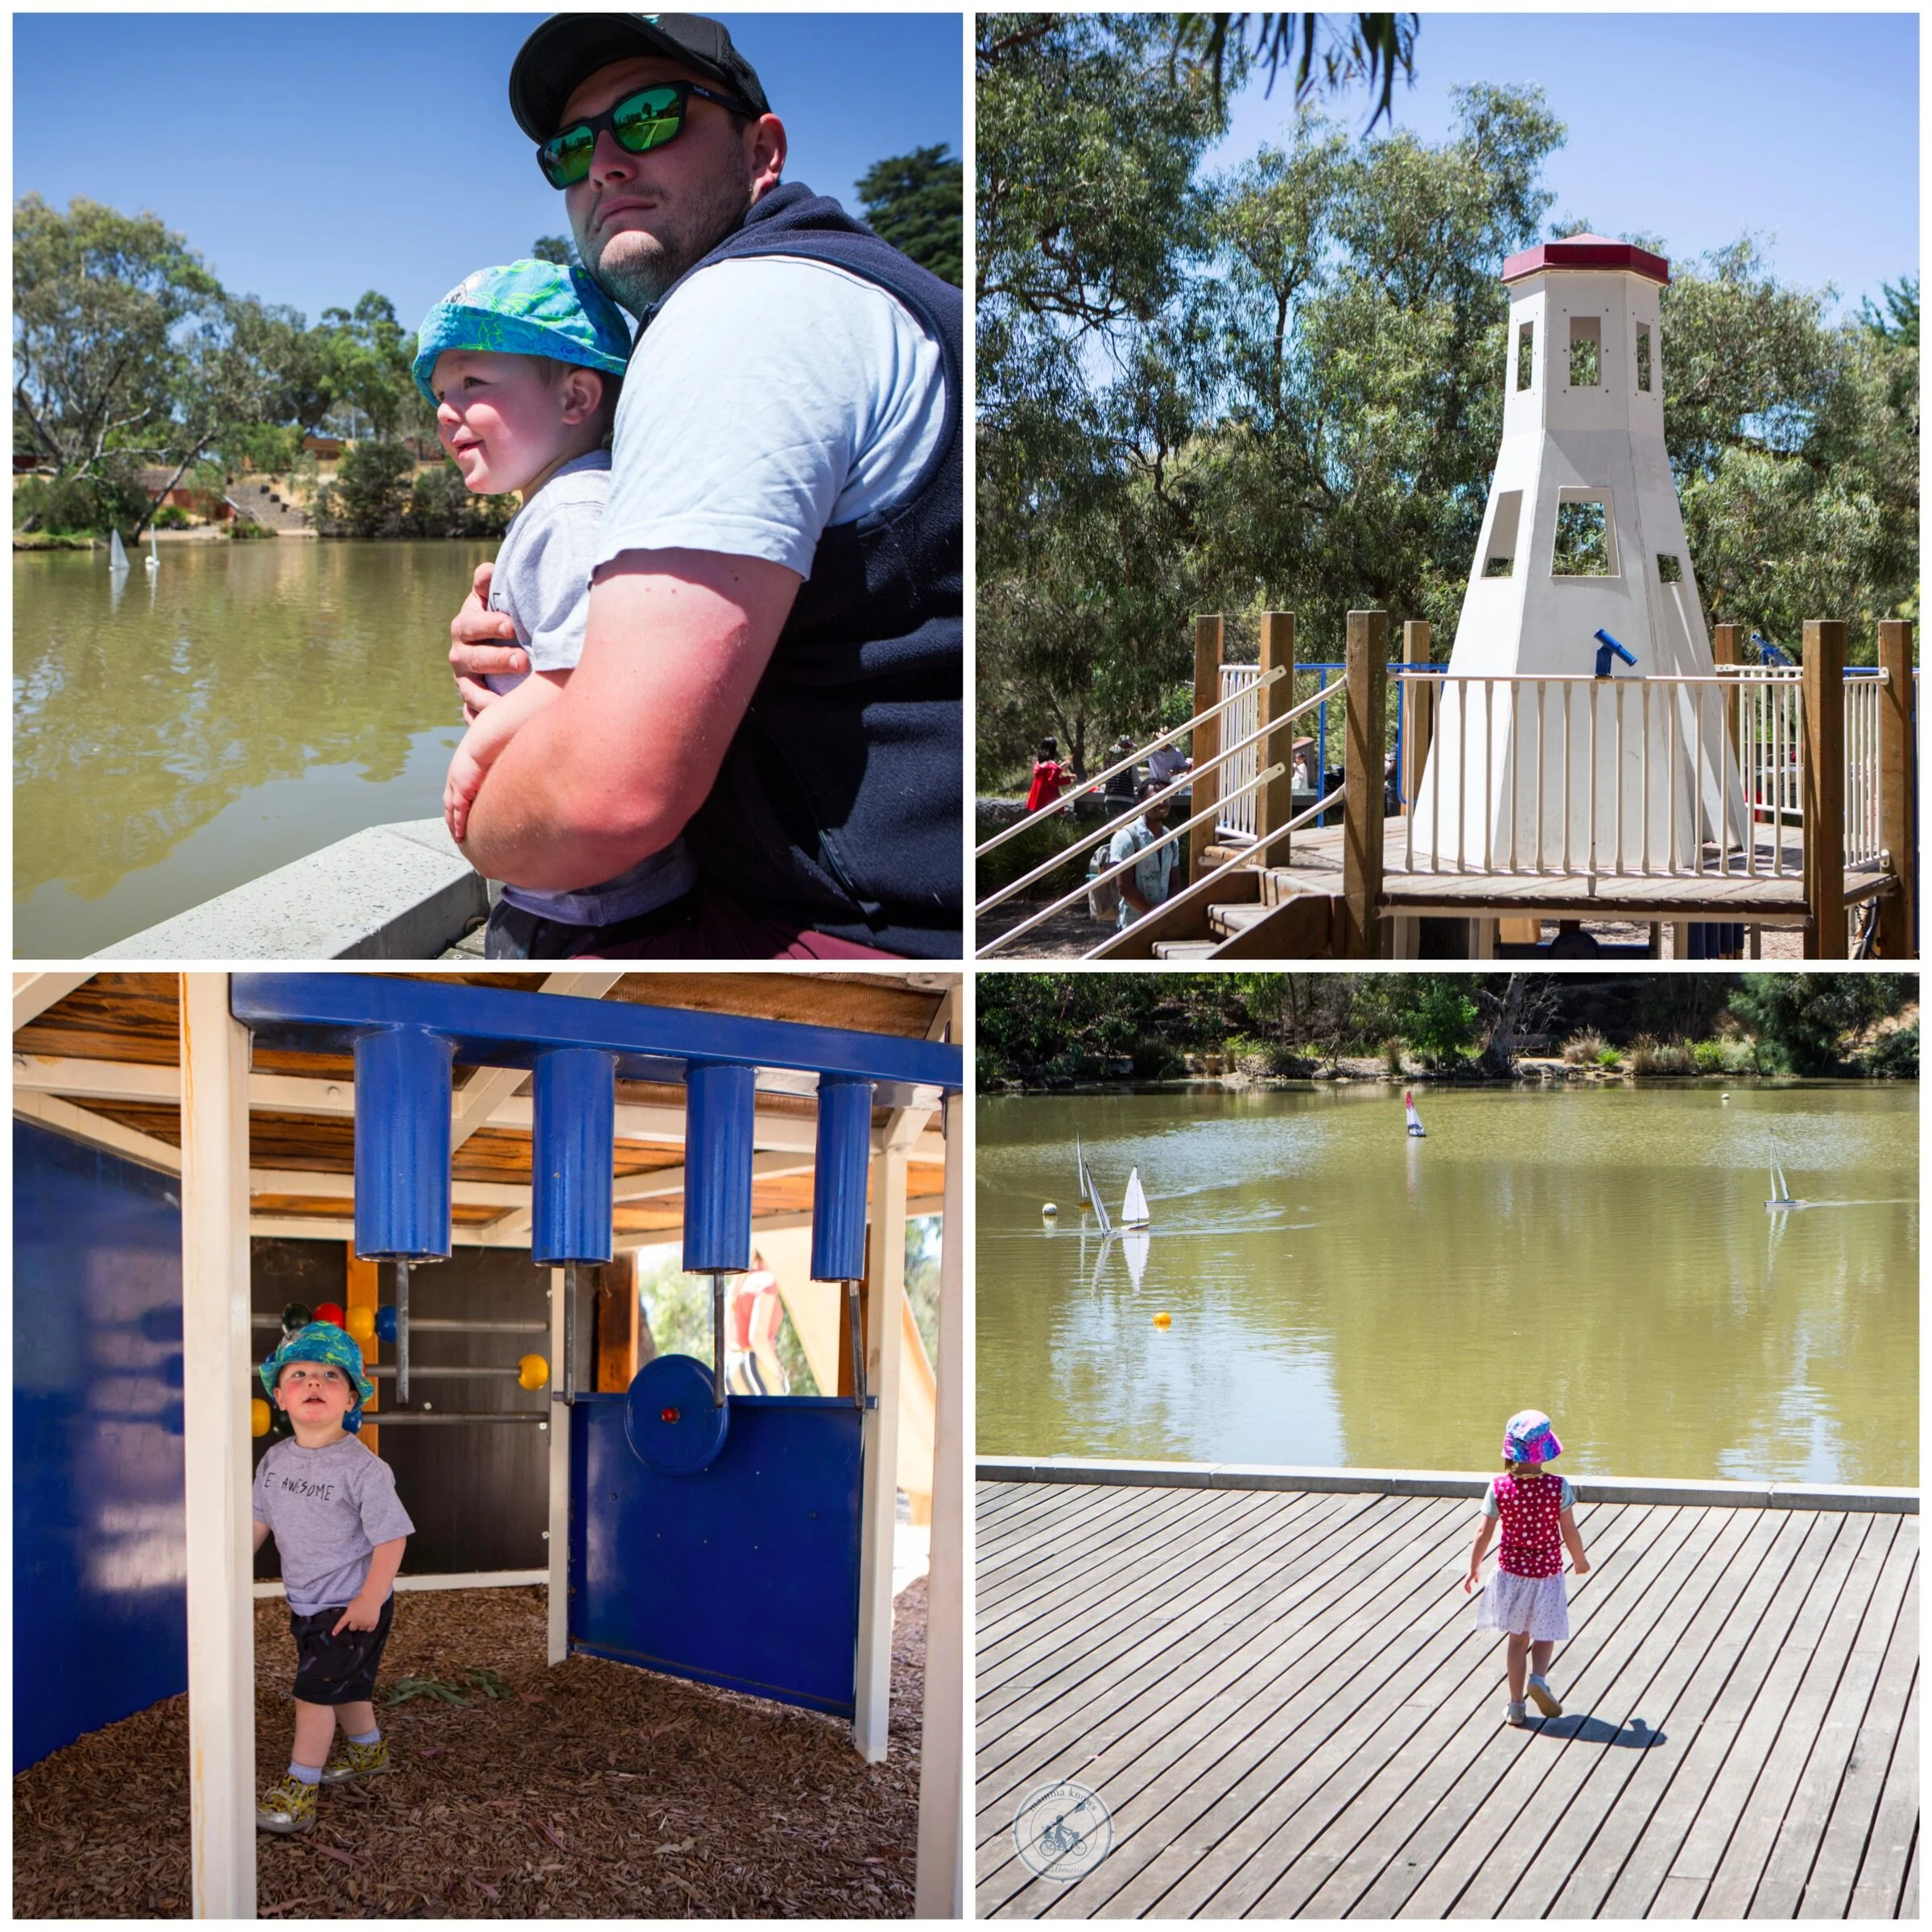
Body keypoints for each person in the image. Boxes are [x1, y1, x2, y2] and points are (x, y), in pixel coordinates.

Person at [445, 12, 961, 959]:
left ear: (762, 150)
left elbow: (605, 797)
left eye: (648, 119)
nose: (603, 162)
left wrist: (475, 816)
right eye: (568, 149)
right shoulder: (889, 294)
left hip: (845, 935)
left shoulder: (740, 310)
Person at [415, 261, 699, 959]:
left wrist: (475, 758)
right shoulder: (565, 501)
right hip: (592, 891)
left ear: (577, 396)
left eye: (473, 384)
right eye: (441, 394)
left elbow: (584, 676)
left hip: (588, 911)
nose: (446, 411)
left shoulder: (573, 510)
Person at [252, 1324, 415, 1836]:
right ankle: (369, 1754)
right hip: (306, 1601)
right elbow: (259, 1521)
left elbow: (392, 1540)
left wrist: (370, 1599)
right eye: (299, 1375)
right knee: (345, 1687)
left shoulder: (363, 1467)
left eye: (329, 1375)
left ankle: (301, 1788)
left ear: (350, 1397)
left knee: (314, 1693)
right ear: (280, 1396)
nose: (314, 1382)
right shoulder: (275, 1459)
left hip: (351, 1605)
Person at [1463, 1409, 1591, 1728]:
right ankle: (1539, 1679)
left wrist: (1473, 1567)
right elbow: (1569, 1531)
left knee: (1517, 1640)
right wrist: (1579, 1559)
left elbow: (1484, 1532)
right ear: (1545, 1451)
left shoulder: (1499, 1488)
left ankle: (1516, 1706)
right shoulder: (1557, 1488)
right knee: (1544, 1633)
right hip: (1546, 1575)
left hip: (1511, 1575)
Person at [1108, 782, 1177, 929]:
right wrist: (1151, 911)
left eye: (1166, 797)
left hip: (1164, 922)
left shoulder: (1171, 839)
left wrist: (1167, 912)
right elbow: (1124, 886)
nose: (1162, 802)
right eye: (1156, 798)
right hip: (1133, 925)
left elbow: (1175, 882)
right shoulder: (1126, 837)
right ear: (1141, 803)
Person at [1026, 737, 1073, 815]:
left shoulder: (1039, 763)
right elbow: (1053, 780)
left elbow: (1048, 773)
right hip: (1050, 799)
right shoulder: (1051, 764)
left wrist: (1061, 767)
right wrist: (1069, 778)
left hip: (1039, 799)